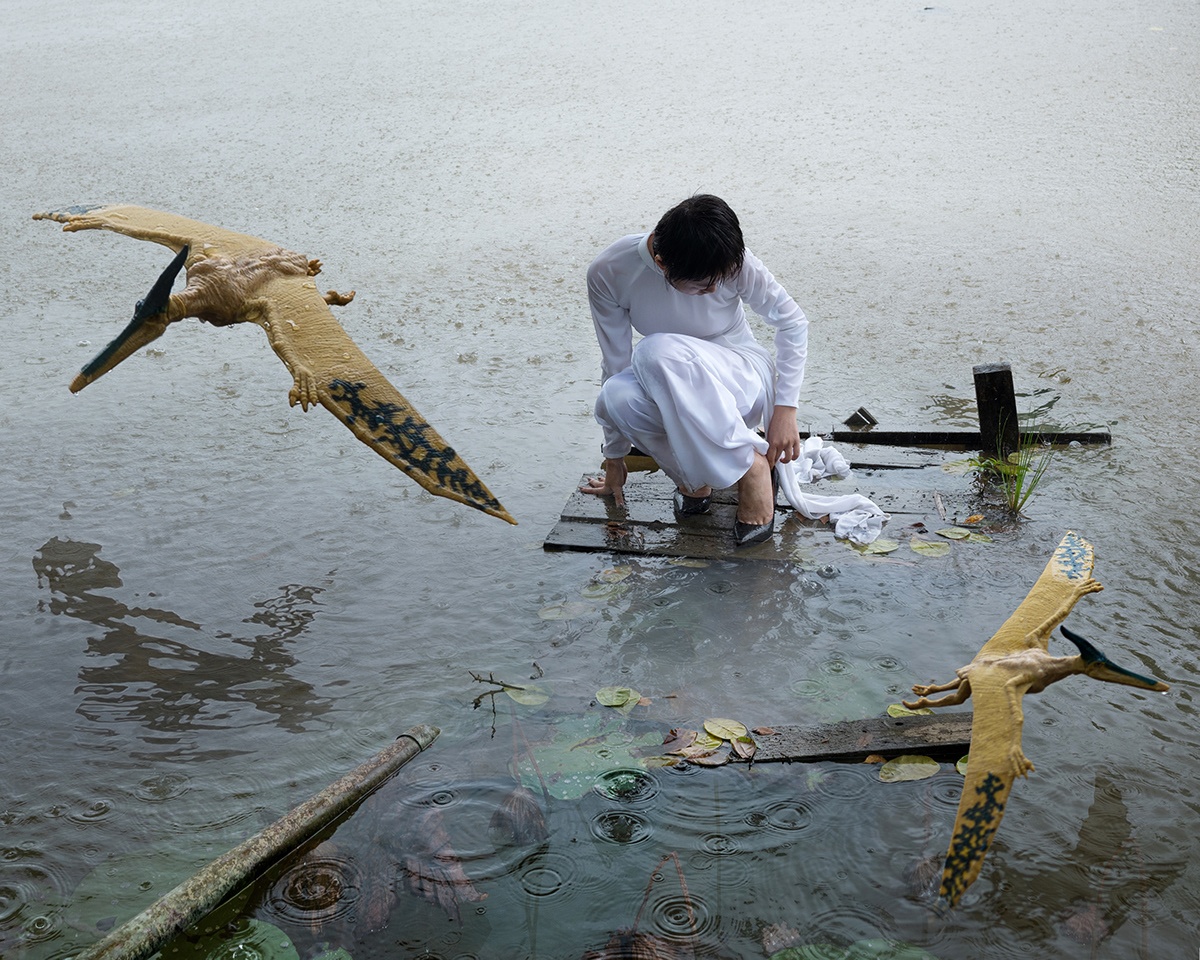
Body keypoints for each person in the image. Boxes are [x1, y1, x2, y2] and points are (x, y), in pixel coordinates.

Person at [579, 194, 808, 546]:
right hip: (670, 380)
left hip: (740, 374)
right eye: (704, 285)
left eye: (719, 280)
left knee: (653, 349)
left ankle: (752, 468)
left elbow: (792, 322)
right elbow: (615, 364)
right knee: (614, 396)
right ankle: (692, 481)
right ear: (661, 263)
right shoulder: (610, 271)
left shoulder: (729, 259)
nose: (716, 289)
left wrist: (785, 410)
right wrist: (614, 458)